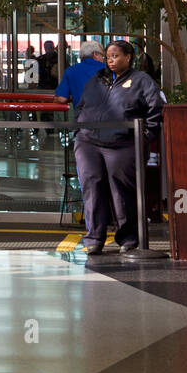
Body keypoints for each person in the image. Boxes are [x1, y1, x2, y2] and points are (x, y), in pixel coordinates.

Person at [71, 39, 163, 255]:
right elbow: (82, 104)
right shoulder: (97, 79)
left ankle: (128, 237)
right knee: (92, 187)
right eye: (108, 57)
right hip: (88, 142)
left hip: (122, 144)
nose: (110, 61)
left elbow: (156, 108)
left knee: (121, 190)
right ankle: (94, 238)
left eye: (115, 56)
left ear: (128, 57)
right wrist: (80, 127)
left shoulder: (141, 80)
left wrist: (144, 136)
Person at [54, 40, 105, 108]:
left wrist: (55, 100)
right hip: (110, 116)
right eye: (102, 55)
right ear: (95, 54)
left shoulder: (71, 71)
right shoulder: (110, 70)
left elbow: (62, 99)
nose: (103, 58)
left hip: (83, 115)